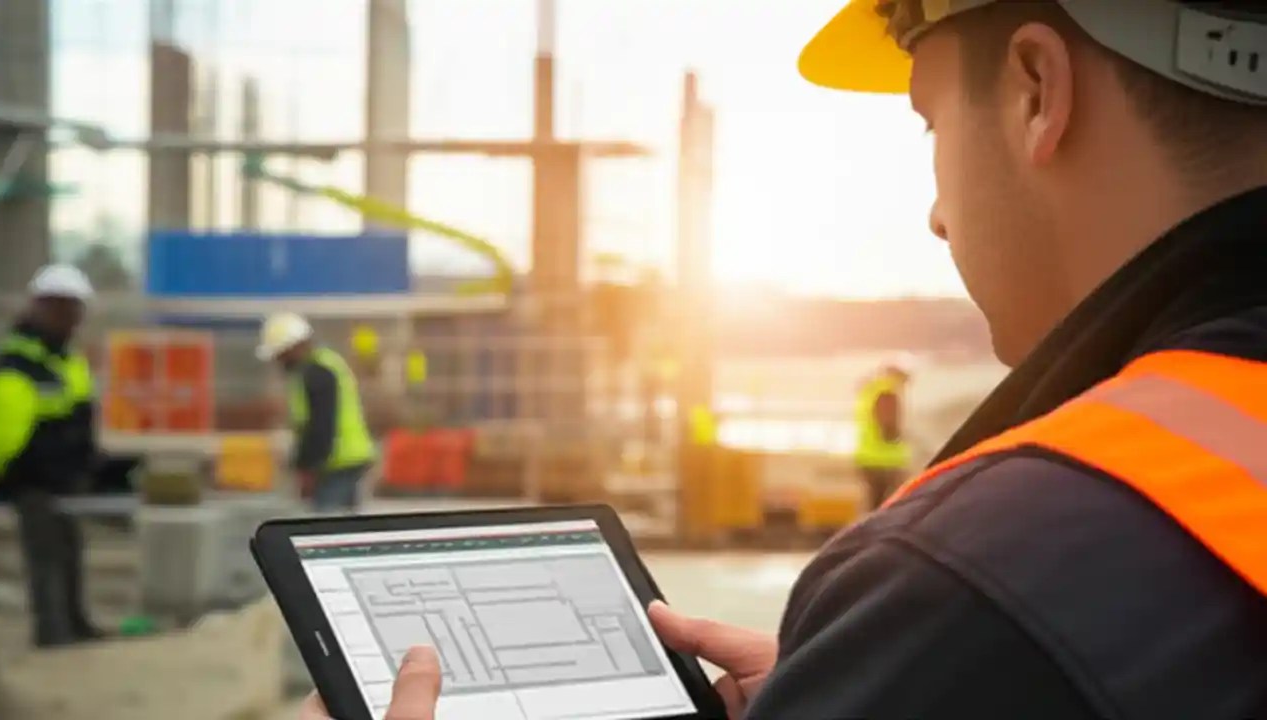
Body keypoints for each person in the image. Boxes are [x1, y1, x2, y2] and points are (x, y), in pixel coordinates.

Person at [307, 0, 1267, 716]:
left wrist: (920, 649)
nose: (936, 215)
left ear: (1035, 91)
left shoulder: (988, 579)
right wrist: (867, 682)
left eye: (929, 122)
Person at [0, 264, 103, 647]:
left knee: (68, 550)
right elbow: (3, 431)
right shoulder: (21, 363)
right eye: (63, 309)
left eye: (75, 310)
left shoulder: (64, 358)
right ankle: (53, 630)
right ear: (42, 308)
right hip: (35, 479)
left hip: (64, 476)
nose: (71, 319)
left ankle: (74, 622)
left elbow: (78, 411)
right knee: (47, 555)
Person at [258, 313, 375, 513]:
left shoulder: (317, 372)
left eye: (280, 354)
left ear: (293, 347)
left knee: (325, 523)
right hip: (345, 460)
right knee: (343, 523)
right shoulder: (322, 364)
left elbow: (321, 425)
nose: (279, 361)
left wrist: (307, 469)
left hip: (336, 464)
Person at [852, 354, 913, 505]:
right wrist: (900, 438)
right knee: (895, 504)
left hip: (868, 457)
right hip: (886, 461)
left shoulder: (869, 391)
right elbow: (888, 427)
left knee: (875, 504)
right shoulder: (887, 393)